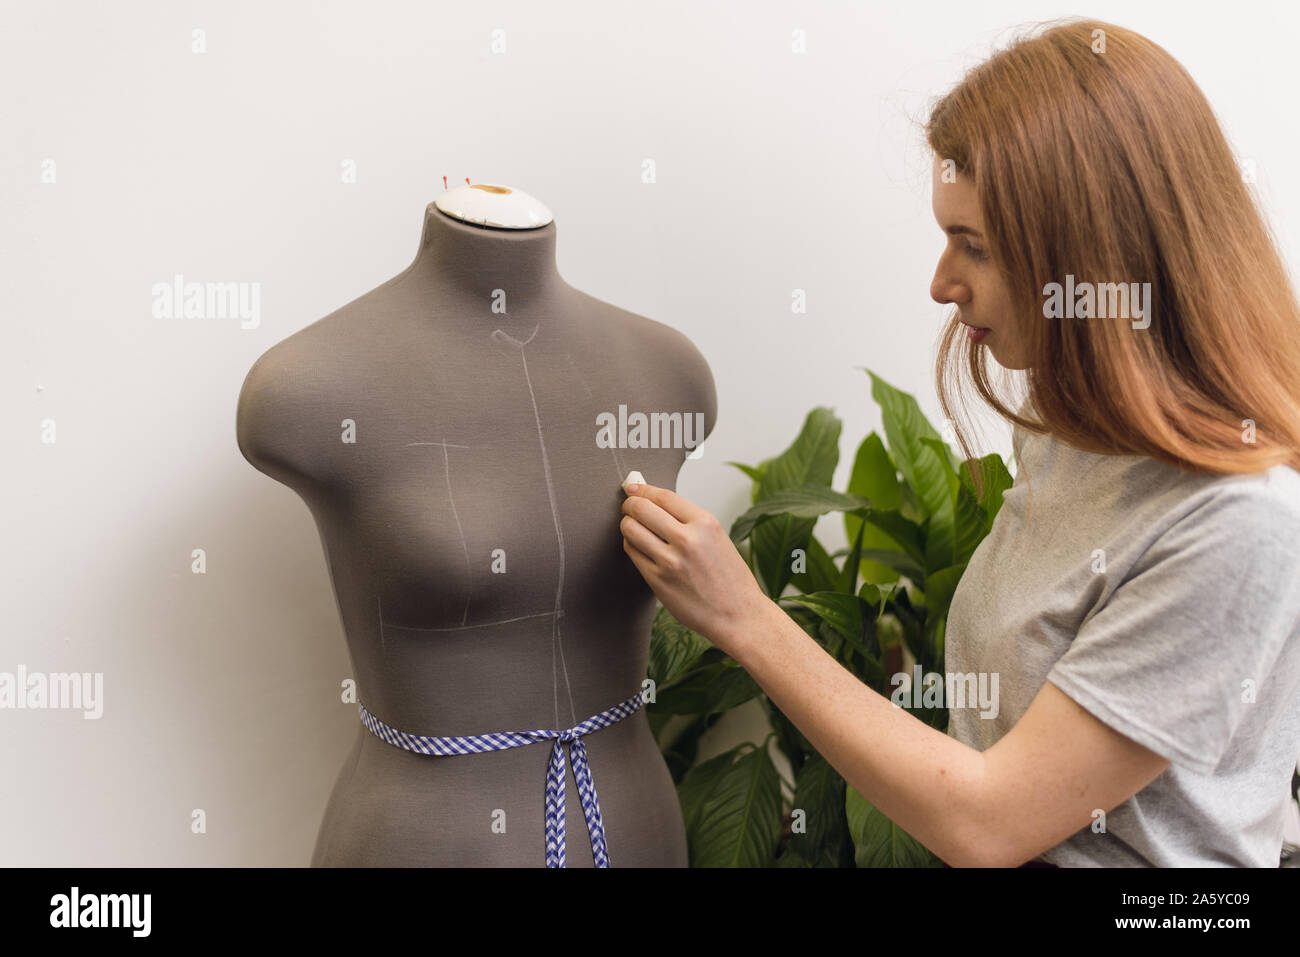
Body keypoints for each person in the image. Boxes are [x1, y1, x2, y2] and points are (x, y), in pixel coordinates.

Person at [619, 18, 1300, 867]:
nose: (940, 283)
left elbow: (991, 821)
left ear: (1091, 259)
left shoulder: (1241, 524)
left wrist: (745, 616)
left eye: (971, 246)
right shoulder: (1073, 434)